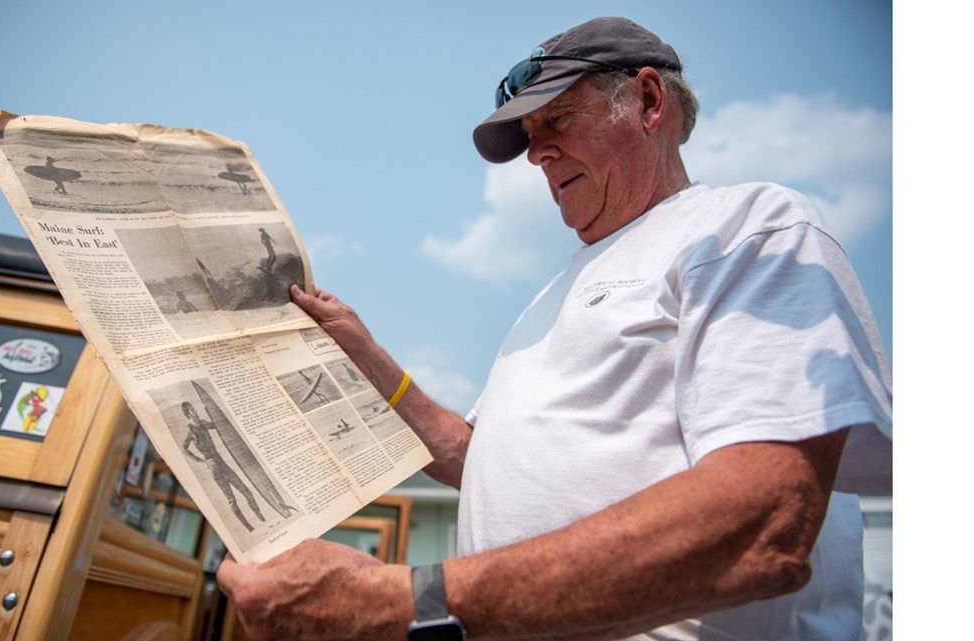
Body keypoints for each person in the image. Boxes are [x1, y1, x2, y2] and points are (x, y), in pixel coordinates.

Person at [217, 16, 892, 641]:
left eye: (557, 120)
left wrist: (404, 600)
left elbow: (766, 516)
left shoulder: (746, 226)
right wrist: (367, 358)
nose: (537, 153)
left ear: (651, 103)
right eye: (530, 135)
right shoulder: (552, 292)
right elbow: (480, 459)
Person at [181, 400, 266, 532]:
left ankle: (261, 517)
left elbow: (216, 424)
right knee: (232, 499)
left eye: (194, 408)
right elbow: (184, 449)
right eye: (192, 410)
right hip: (214, 468)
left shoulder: (203, 423)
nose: (195, 411)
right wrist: (203, 462)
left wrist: (210, 411)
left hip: (222, 463)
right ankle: (249, 528)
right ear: (188, 414)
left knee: (245, 490)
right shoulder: (191, 431)